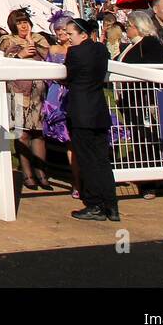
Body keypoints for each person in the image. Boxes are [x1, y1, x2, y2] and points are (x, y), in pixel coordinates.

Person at [63, 19, 119, 221]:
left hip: (81, 112)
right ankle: (111, 206)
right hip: (98, 110)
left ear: (83, 35)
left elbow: (69, 77)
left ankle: (95, 204)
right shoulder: (101, 50)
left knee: (87, 161)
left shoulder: (75, 53)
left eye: (71, 34)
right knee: (102, 161)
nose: (68, 37)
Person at [0, 9, 53, 191]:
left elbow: (50, 58)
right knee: (22, 133)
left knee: (38, 133)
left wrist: (33, 44)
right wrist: (19, 55)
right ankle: (27, 174)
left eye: (25, 22)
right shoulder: (7, 41)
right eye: (19, 23)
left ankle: (42, 173)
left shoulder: (40, 39)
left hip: (39, 92)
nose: (23, 25)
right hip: (18, 92)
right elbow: (2, 63)